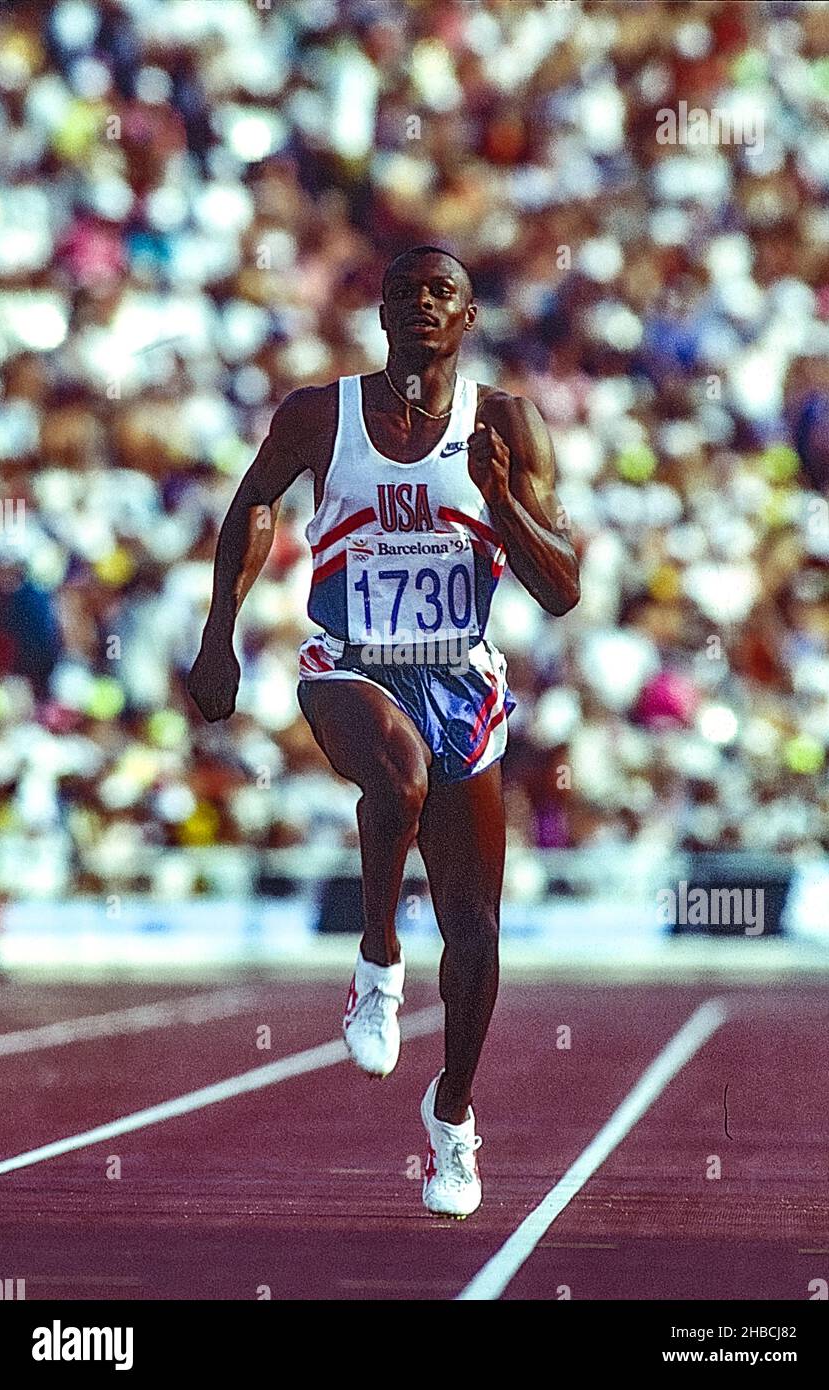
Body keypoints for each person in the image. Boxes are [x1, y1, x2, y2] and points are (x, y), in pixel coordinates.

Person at [188, 247, 580, 1216]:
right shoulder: (324, 414)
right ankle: (375, 962)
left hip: (460, 672)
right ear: (381, 314)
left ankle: (451, 1116)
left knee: (478, 930)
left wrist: (501, 502)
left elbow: (563, 586)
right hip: (350, 658)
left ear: (468, 316)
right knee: (395, 776)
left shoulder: (505, 422)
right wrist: (217, 635)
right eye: (401, 292)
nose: (418, 306)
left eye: (438, 293)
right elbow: (253, 505)